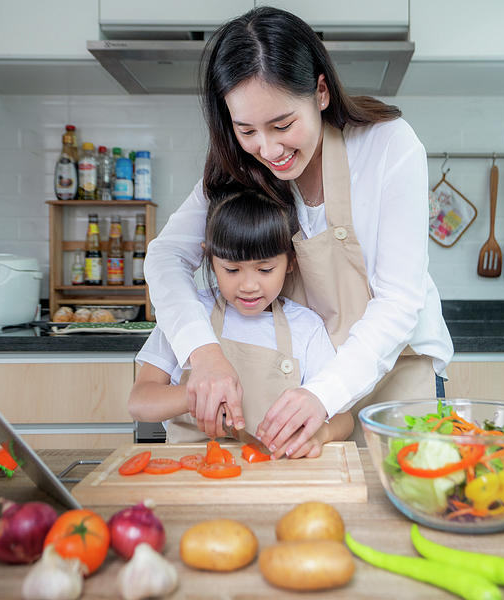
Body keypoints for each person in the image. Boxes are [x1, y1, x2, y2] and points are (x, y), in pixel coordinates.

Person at [144, 6, 453, 458]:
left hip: (397, 381)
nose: (268, 150)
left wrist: (324, 396)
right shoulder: (239, 167)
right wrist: (202, 353)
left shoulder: (388, 146)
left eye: (282, 125)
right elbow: (166, 256)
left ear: (321, 92)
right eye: (246, 129)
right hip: (303, 392)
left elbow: (399, 301)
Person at [130, 189, 353, 458]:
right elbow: (139, 401)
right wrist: (197, 396)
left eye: (265, 270)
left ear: (291, 262)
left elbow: (344, 417)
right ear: (210, 260)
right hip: (190, 475)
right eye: (232, 270)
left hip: (273, 477)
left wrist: (321, 434)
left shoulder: (306, 326)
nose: (248, 285)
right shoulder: (189, 314)